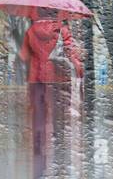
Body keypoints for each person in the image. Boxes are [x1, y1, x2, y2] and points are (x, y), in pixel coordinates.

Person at [19, 8, 85, 157]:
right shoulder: (63, 30)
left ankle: (38, 144)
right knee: (59, 113)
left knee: (39, 112)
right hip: (59, 78)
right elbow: (71, 53)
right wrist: (79, 69)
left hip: (36, 78)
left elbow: (24, 56)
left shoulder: (31, 31)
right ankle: (59, 143)